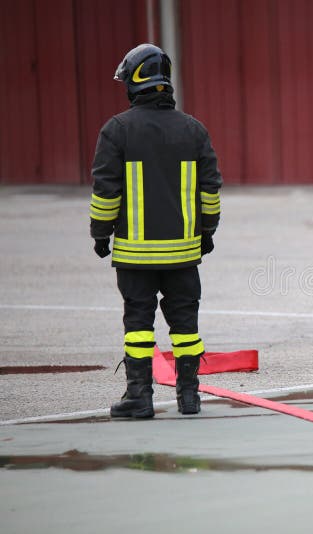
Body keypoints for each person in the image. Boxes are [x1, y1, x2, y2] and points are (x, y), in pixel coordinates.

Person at [89, 44, 223, 417]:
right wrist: (207, 230)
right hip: (183, 255)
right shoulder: (193, 130)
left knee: (138, 325)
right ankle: (189, 397)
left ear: (135, 82)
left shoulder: (116, 131)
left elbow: (106, 192)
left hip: (135, 256)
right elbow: (210, 190)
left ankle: (140, 396)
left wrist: (100, 233)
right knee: (186, 326)